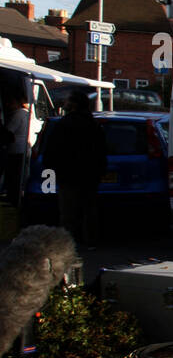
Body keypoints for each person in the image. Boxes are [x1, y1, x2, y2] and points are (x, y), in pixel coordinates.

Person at [42, 91, 107, 247]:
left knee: (68, 212)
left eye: (67, 101)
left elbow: (52, 149)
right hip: (90, 175)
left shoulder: (64, 124)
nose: (64, 104)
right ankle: (91, 241)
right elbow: (101, 150)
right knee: (89, 210)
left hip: (69, 174)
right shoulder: (93, 124)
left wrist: (51, 168)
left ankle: (68, 243)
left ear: (73, 104)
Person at [2, 90, 33, 207]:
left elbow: (9, 131)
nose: (8, 104)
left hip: (15, 149)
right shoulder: (26, 113)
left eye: (11, 101)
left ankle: (13, 200)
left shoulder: (18, 114)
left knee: (13, 176)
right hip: (23, 149)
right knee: (19, 176)